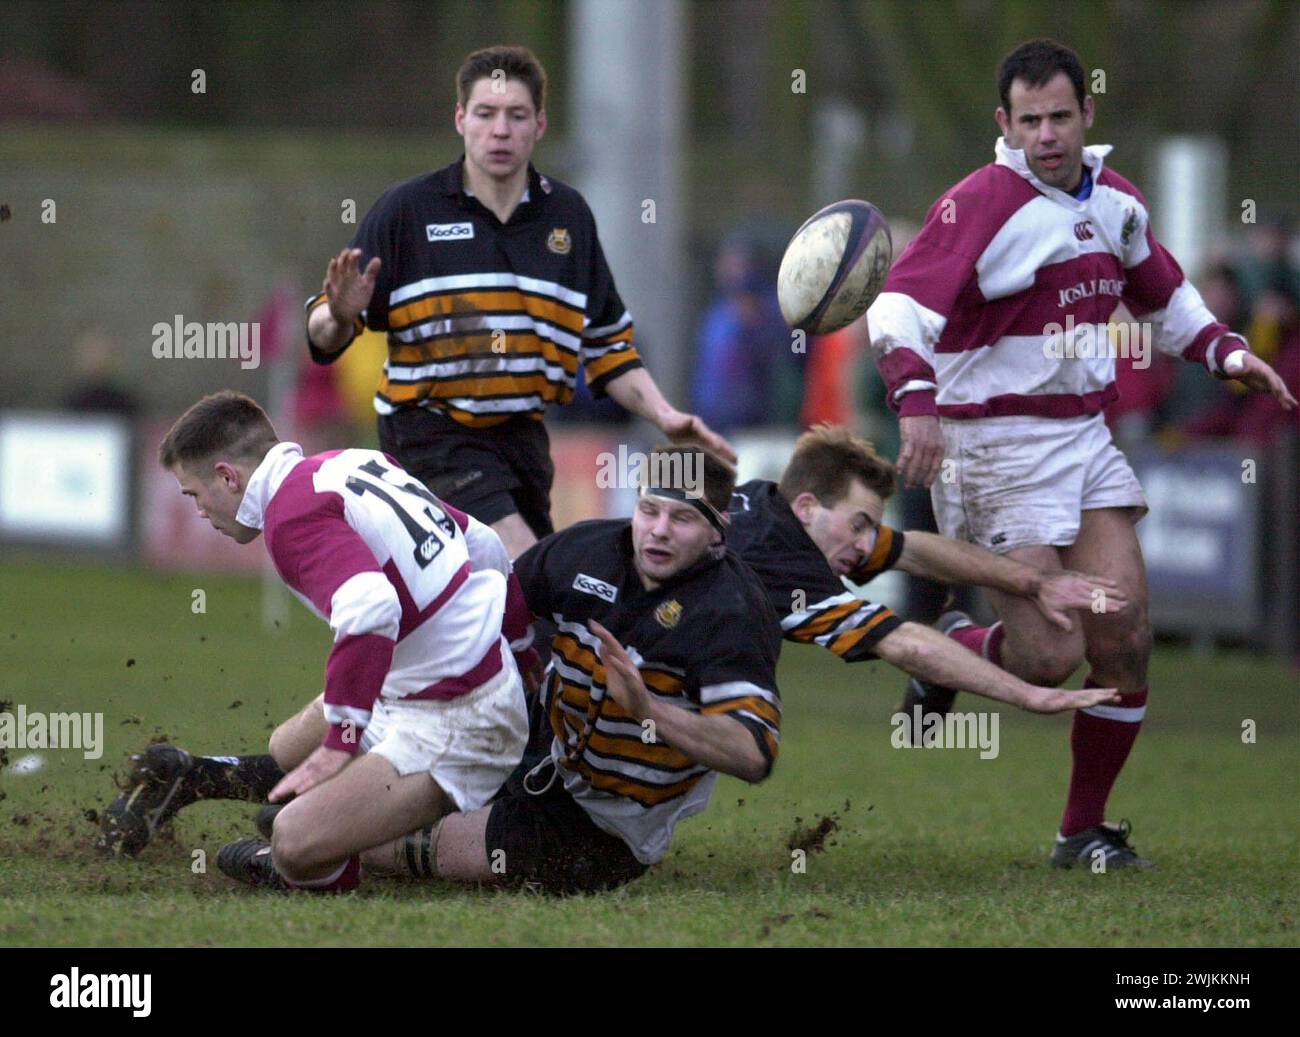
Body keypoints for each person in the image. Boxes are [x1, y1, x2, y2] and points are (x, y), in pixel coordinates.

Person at [864, 38, 1297, 868]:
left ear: (1086, 112)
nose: (1048, 135)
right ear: (1005, 124)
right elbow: (894, 311)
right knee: (1051, 656)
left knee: (1126, 630)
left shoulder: (1117, 204)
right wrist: (915, 403)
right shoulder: (981, 202)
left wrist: (1230, 355)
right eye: (1030, 121)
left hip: (1081, 437)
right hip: (990, 446)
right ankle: (952, 647)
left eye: (1061, 116)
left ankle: (1082, 830)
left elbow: (1166, 300)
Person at [305, 44, 732, 559]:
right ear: (461, 119)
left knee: (514, 606)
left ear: (540, 125)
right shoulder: (406, 212)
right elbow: (324, 336)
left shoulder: (569, 218)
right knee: (528, 568)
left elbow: (607, 347)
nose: (500, 130)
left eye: (516, 116)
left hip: (524, 442)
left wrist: (665, 415)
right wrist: (341, 312)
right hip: (430, 435)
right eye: (486, 114)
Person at [97, 391, 532, 894]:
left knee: (292, 840)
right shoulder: (351, 461)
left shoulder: (292, 517)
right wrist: (522, 651)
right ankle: (206, 780)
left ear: (227, 477)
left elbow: (372, 608)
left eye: (194, 494)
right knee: (288, 744)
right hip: (442, 684)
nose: (198, 511)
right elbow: (485, 544)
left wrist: (343, 737)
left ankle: (326, 859)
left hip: (457, 719)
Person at [347, 446, 783, 894]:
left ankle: (300, 841)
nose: (659, 531)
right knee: (396, 770)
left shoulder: (733, 614)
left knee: (412, 846)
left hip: (604, 825)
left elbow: (752, 753)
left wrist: (646, 708)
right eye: (649, 510)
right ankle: (303, 788)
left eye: (682, 519)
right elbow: (497, 604)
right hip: (535, 743)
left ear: (719, 529)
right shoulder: (586, 552)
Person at [726, 425, 1123, 724]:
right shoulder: (782, 565)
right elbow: (903, 644)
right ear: (808, 507)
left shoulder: (769, 501)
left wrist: (1035, 582)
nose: (866, 545)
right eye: (859, 525)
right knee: (748, 738)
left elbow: (914, 550)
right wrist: (1028, 696)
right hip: (666, 652)